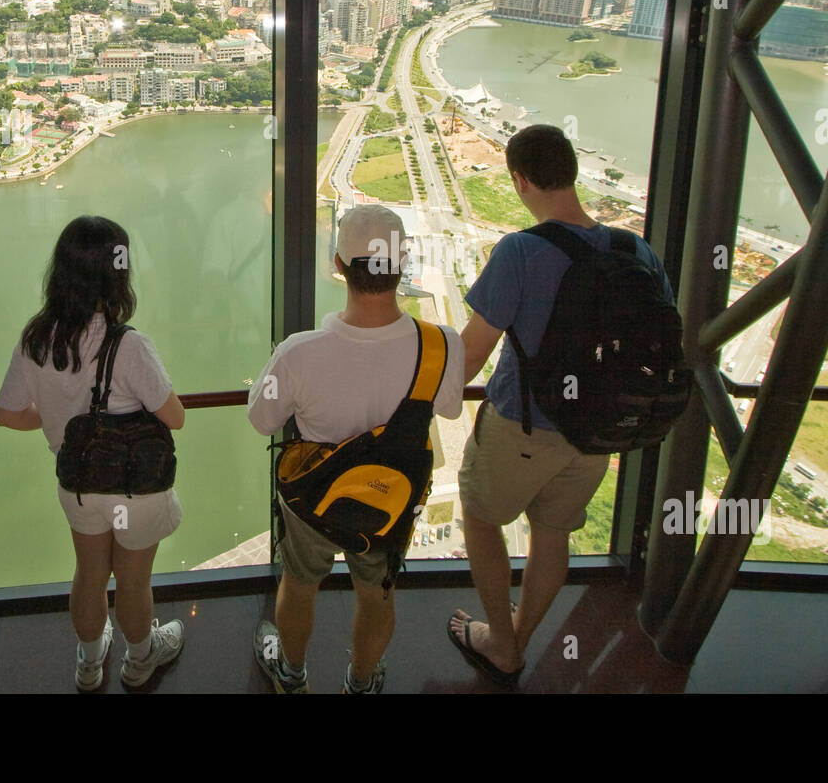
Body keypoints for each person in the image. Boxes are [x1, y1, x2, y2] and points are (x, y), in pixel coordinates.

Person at [448, 124, 674, 686]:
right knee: (553, 535)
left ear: (520, 180)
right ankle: (521, 637)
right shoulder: (635, 249)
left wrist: (425, 399)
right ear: (573, 171)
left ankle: (500, 641)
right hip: (596, 431)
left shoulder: (521, 250)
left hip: (522, 427)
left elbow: (472, 353)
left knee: (479, 520)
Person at [248, 205, 465, 693]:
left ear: (339, 266)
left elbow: (260, 418)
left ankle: (291, 673)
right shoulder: (440, 345)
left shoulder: (298, 352)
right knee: (376, 592)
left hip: (313, 502)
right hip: (390, 504)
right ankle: (362, 683)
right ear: (402, 263)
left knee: (299, 584)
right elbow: (449, 409)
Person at [0, 215, 187, 691]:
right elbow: (175, 415)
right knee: (134, 581)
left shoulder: (38, 339)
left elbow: (7, 413)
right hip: (135, 488)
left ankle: (89, 661)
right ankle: (141, 659)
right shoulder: (130, 345)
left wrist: (57, 419)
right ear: (116, 273)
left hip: (79, 482)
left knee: (88, 573)